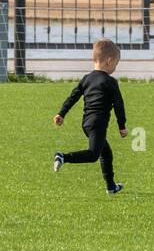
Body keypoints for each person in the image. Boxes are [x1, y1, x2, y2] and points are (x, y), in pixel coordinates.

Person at [53, 38, 128, 194]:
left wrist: (62, 113)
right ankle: (62, 157)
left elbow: (73, 96)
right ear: (109, 61)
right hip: (98, 123)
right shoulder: (111, 82)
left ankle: (111, 187)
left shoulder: (87, 79)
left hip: (86, 123)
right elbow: (119, 106)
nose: (115, 67)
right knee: (93, 154)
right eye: (116, 64)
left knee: (105, 153)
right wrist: (122, 126)